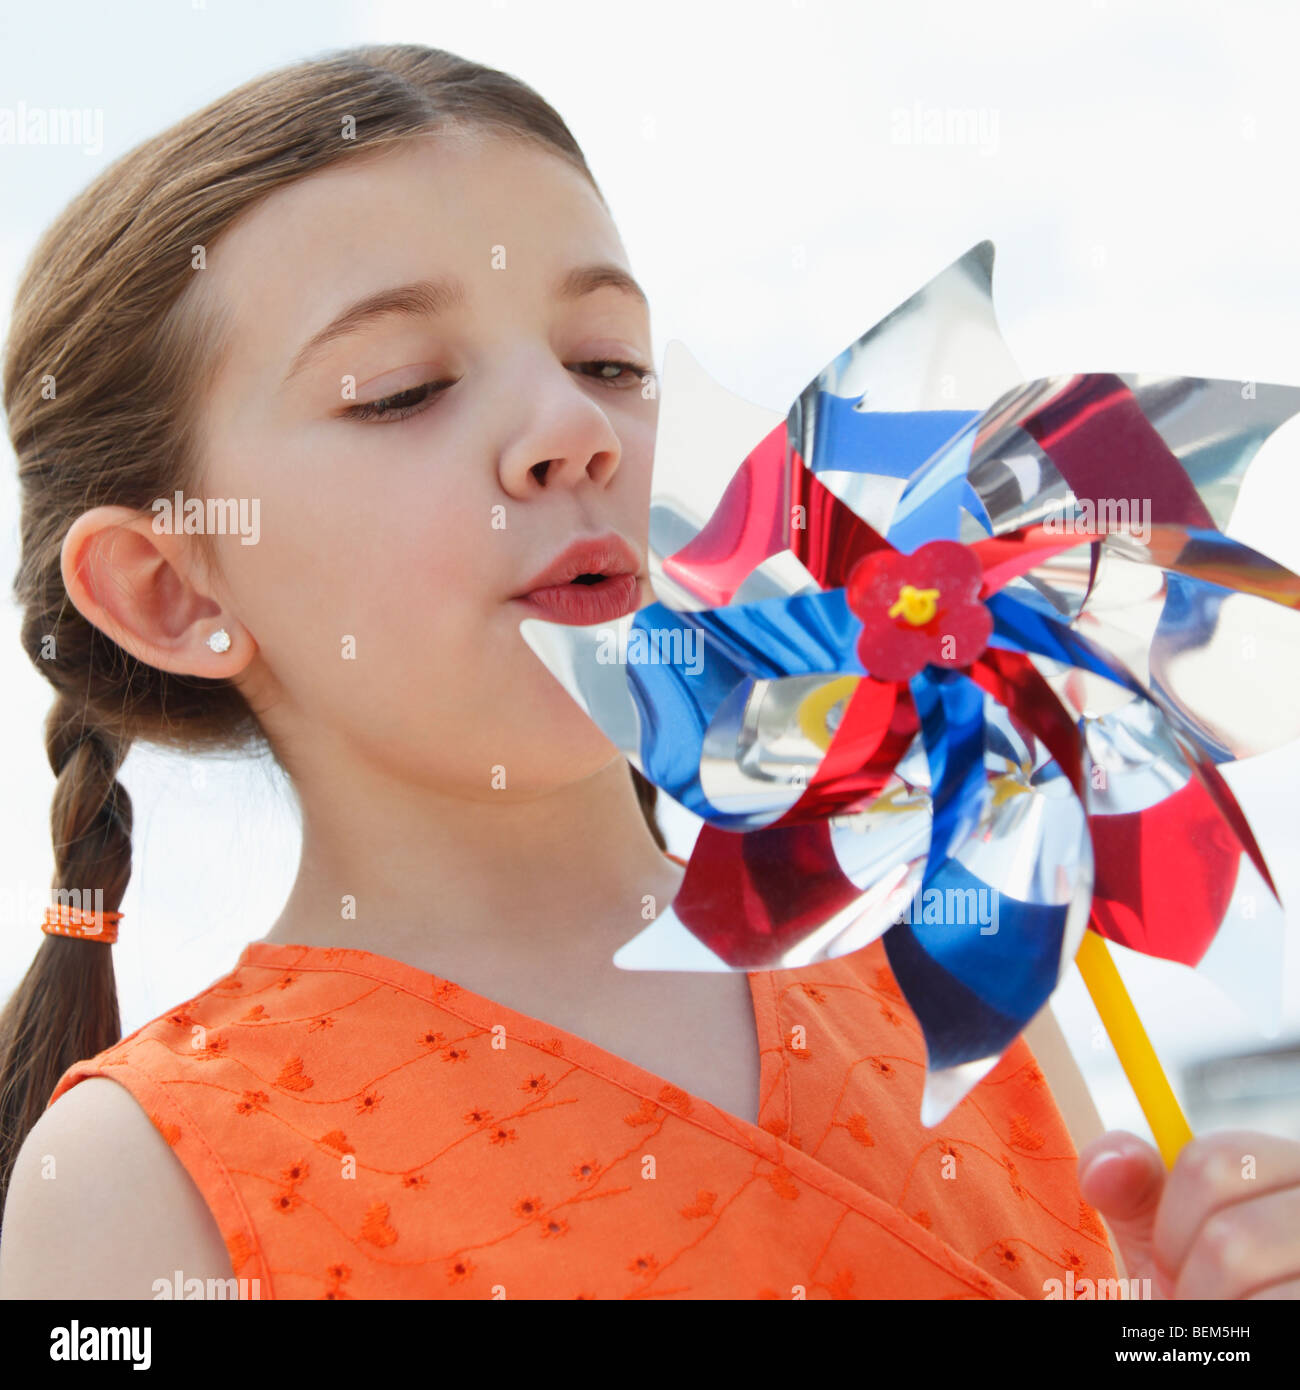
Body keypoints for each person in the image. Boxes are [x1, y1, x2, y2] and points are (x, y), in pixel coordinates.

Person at [0, 43, 1294, 1301]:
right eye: (400, 390)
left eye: (609, 361)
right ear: (174, 589)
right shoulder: (143, 1176)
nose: (575, 428)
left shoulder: (935, 969)